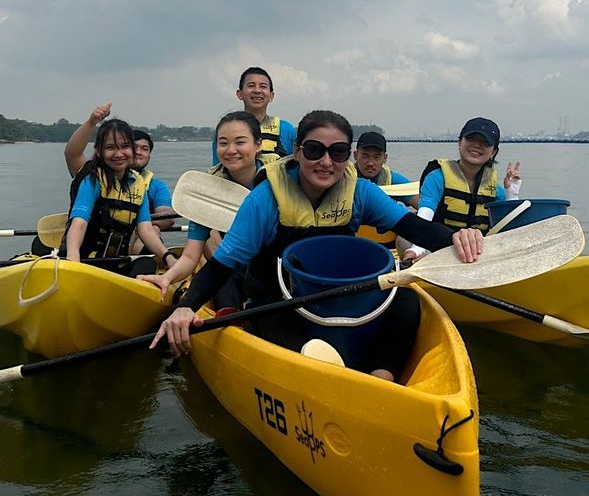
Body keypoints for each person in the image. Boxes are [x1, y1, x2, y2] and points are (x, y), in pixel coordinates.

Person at [153, 110, 485, 381]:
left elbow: (409, 225)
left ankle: (382, 376)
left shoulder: (359, 191)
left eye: (337, 152)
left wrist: (455, 236)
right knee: (270, 316)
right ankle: (324, 373)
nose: (326, 162)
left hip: (340, 298)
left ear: (347, 156)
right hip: (280, 301)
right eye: (314, 150)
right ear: (297, 150)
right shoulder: (266, 198)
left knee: (407, 298)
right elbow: (224, 263)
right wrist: (188, 306)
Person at [138, 111, 262, 305]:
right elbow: (189, 256)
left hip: (271, 271)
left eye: (240, 142)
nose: (231, 150)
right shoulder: (207, 192)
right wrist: (167, 278)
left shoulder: (276, 183)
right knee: (222, 279)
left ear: (258, 145)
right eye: (223, 143)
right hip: (230, 273)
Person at [63, 118, 179, 275]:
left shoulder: (138, 184)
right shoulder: (92, 179)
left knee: (146, 263)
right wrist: (73, 259)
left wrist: (168, 257)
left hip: (116, 263)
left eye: (125, 147)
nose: (119, 154)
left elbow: (145, 229)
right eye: (110, 148)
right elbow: (79, 222)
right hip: (84, 261)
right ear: (98, 150)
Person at [403, 117, 521, 262]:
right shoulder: (437, 177)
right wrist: (417, 248)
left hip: (476, 251)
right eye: (471, 138)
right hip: (436, 246)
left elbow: (507, 228)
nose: (477, 145)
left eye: (485, 142)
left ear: (493, 152)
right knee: (402, 239)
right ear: (460, 142)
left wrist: (512, 193)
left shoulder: (496, 190)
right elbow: (425, 214)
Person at [210, 67, 295, 165]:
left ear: (271, 96)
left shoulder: (286, 130)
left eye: (263, 86)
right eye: (251, 86)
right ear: (240, 94)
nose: (257, 90)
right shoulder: (226, 130)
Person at [352, 131, 415, 256]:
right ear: (355, 155)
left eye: (376, 157)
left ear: (385, 158)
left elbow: (423, 203)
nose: (370, 163)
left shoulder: (394, 180)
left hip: (388, 245)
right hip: (352, 241)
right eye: (365, 156)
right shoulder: (342, 179)